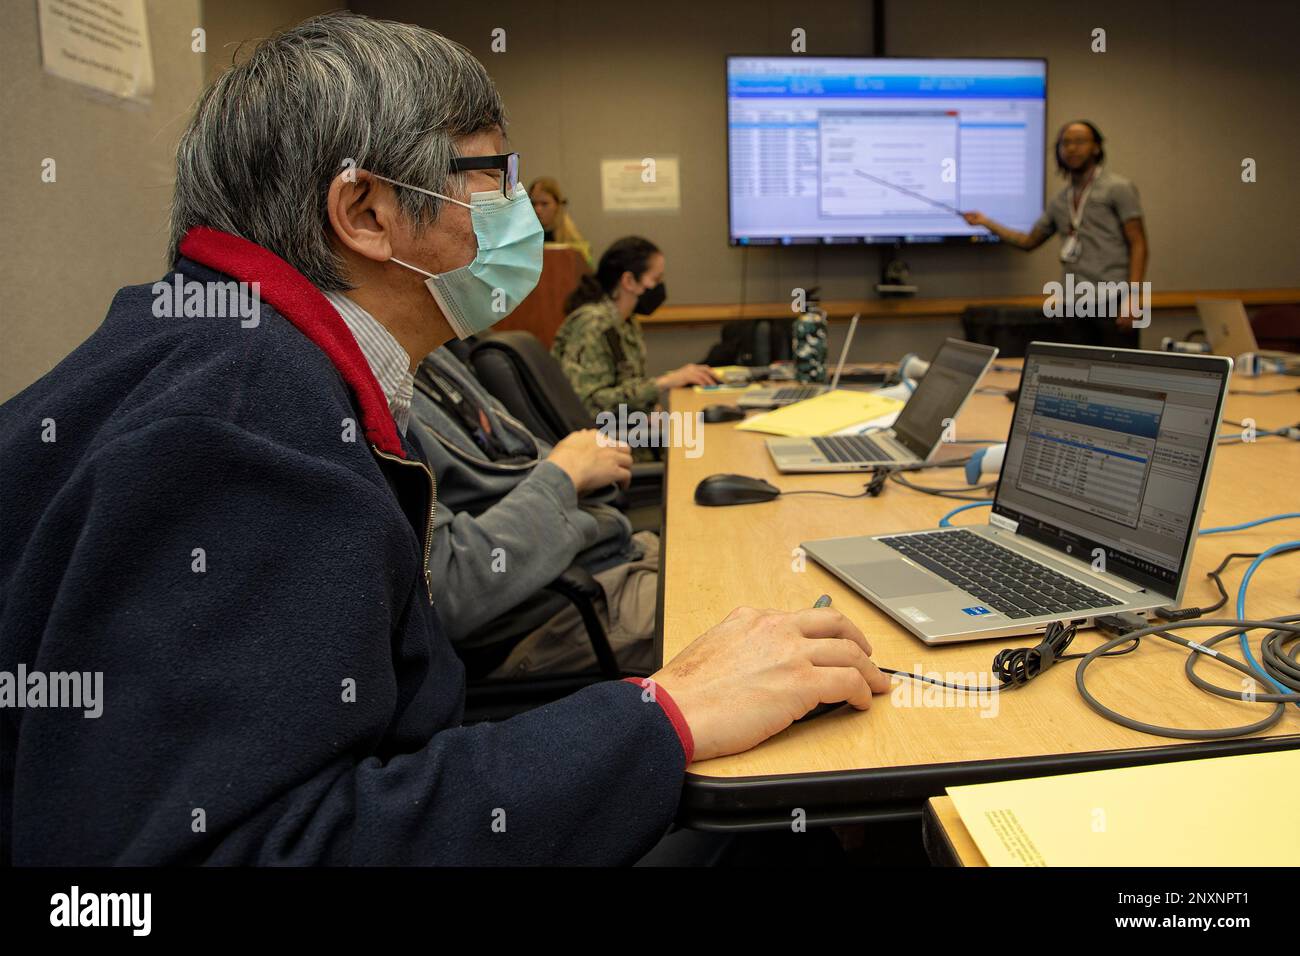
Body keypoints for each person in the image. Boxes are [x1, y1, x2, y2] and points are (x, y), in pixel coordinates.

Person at [0, 12, 890, 866]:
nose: (519, 210)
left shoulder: (213, 354)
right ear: (367, 212)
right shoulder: (241, 428)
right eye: (491, 174)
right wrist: (661, 715)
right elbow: (230, 850)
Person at [406, 344, 658, 676]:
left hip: (615, 554)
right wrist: (564, 474)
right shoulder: (359, 392)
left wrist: (575, 469)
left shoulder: (428, 356)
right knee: (746, 621)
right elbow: (446, 589)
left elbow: (523, 458)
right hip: (562, 612)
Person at [962, 120, 1148, 345]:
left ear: (1096, 147)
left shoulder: (1118, 188)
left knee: (1120, 375)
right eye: (1065, 143)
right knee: (1076, 374)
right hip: (1073, 303)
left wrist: (1134, 298)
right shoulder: (1060, 201)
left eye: (1079, 141)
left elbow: (1138, 243)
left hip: (1114, 299)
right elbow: (1028, 241)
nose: (1071, 148)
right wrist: (985, 222)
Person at [552, 237, 717, 458]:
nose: (659, 287)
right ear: (629, 281)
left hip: (628, 435)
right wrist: (663, 383)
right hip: (603, 451)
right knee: (700, 448)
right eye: (655, 279)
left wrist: (648, 408)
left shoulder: (626, 322)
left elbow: (625, 386)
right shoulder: (593, 325)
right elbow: (588, 406)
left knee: (704, 437)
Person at [528, 176, 592, 266]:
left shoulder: (575, 242)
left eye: (544, 204)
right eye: (533, 204)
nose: (537, 210)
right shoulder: (525, 239)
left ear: (558, 205)